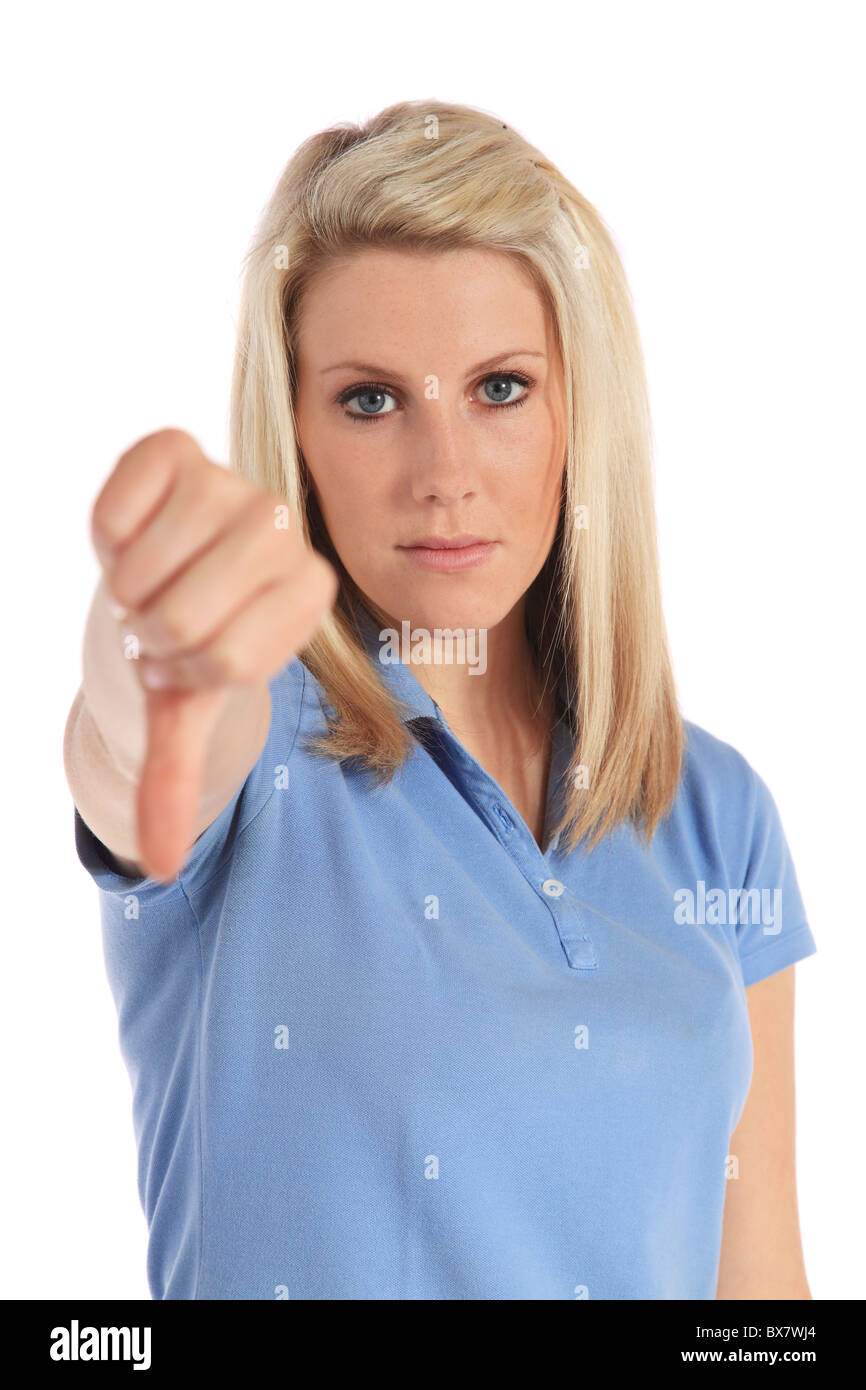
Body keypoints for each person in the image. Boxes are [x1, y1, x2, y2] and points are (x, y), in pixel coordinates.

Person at [63, 99, 817, 1300]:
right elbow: (133, 740)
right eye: (370, 399)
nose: (444, 477)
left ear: (581, 413)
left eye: (499, 389)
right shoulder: (251, 742)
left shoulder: (714, 808)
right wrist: (152, 640)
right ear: (294, 430)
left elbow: (758, 1288)